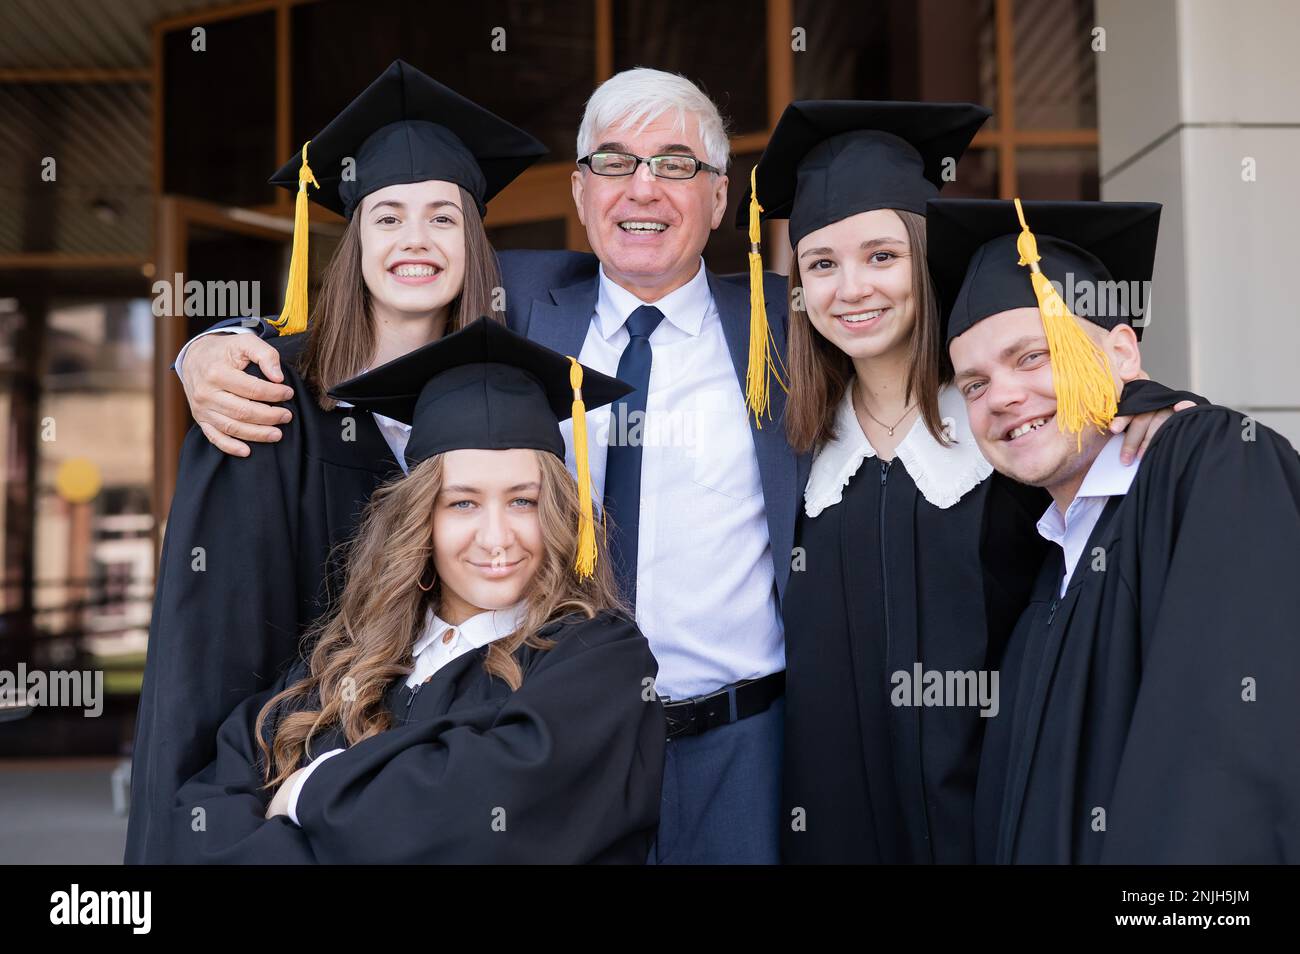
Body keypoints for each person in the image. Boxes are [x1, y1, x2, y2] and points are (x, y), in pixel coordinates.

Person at [173, 68, 798, 864]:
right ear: (578, 192)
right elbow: (389, 285)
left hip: (736, 743)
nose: (643, 189)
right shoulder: (516, 299)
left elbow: (905, 310)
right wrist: (214, 346)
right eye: (613, 162)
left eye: (677, 164)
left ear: (718, 195)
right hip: (535, 743)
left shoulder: (790, 325)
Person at [126, 61, 547, 863]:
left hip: (426, 798)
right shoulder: (269, 404)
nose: (415, 242)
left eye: (443, 219)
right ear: (354, 242)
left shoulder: (493, 409)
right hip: (277, 796)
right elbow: (208, 661)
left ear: (475, 244)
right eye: (388, 218)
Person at [743, 101, 1183, 863]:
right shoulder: (789, 455)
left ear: (927, 258)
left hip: (1006, 830)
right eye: (821, 264)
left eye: (882, 255)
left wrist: (1167, 411)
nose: (851, 289)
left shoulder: (1015, 434)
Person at [168, 318, 664, 863]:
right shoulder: (354, 658)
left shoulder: (599, 659)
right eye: (463, 503)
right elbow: (212, 802)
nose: (497, 538)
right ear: (419, 521)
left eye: (523, 501)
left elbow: (473, 815)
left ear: (558, 514)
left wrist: (308, 790)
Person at [932, 196, 1300, 863]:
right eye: (975, 383)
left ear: (1124, 351)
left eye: (1032, 357)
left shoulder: (1213, 466)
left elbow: (1233, 764)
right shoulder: (1044, 559)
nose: (1003, 397)